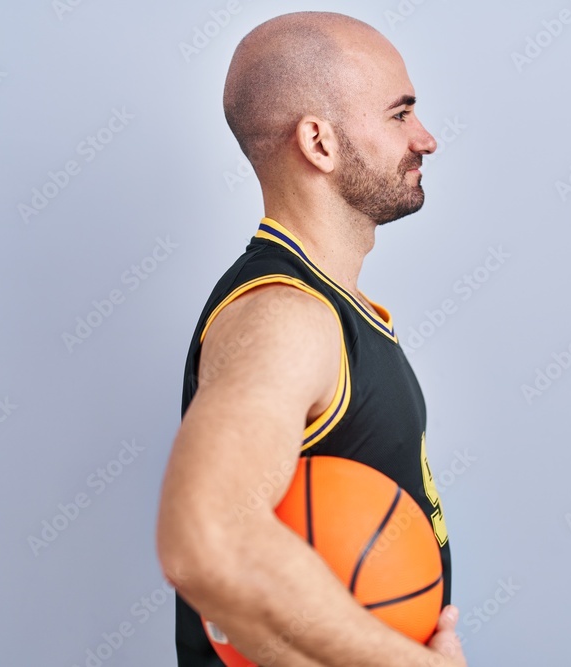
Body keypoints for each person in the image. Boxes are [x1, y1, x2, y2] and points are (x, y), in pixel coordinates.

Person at [156, 11, 466, 666]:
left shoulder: (328, 307)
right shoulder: (288, 317)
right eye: (399, 114)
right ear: (319, 143)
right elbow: (200, 539)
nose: (427, 138)